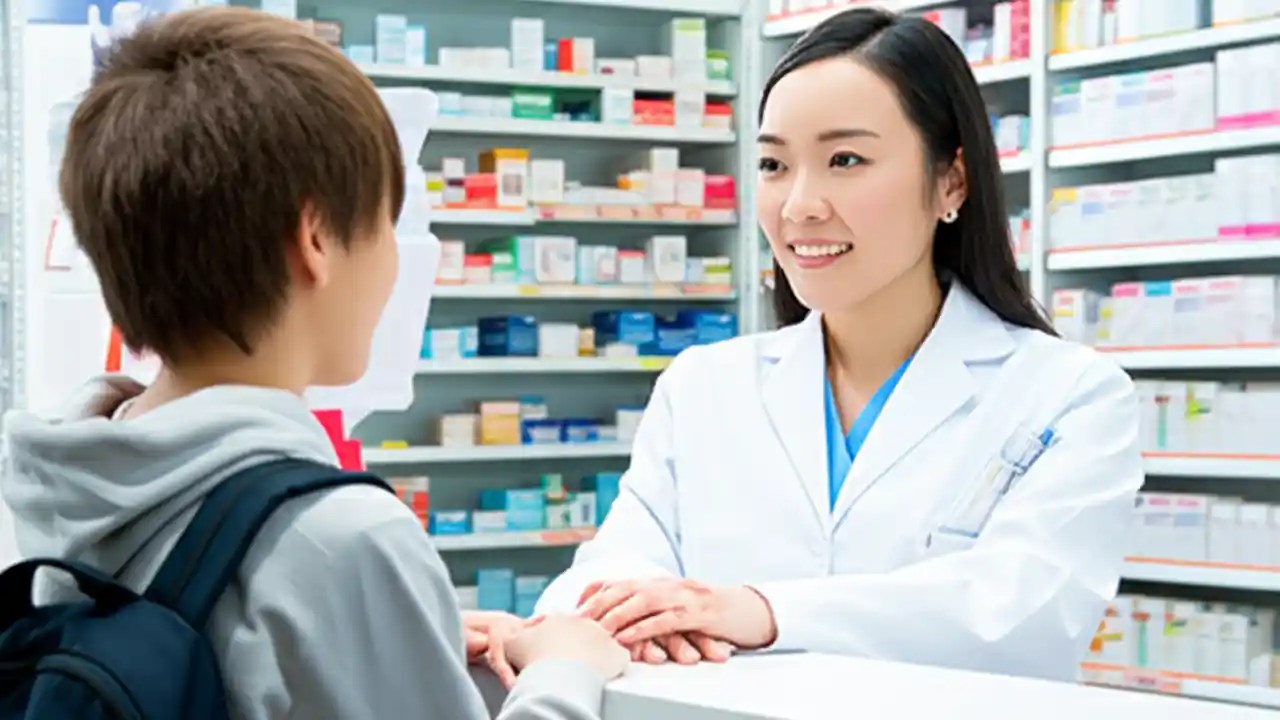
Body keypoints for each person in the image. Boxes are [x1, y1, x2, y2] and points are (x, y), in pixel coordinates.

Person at [0, 7, 625, 719]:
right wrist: (567, 672)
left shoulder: (54, 486)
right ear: (317, 239)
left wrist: (395, 639)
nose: (398, 264)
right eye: (390, 224)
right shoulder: (347, 539)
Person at [536, 7, 1143, 683]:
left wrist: (761, 611)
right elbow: (600, 583)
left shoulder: (1070, 396)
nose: (799, 205)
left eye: (844, 159)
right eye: (773, 163)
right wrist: (637, 616)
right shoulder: (702, 386)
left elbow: (1021, 610)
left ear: (952, 180)